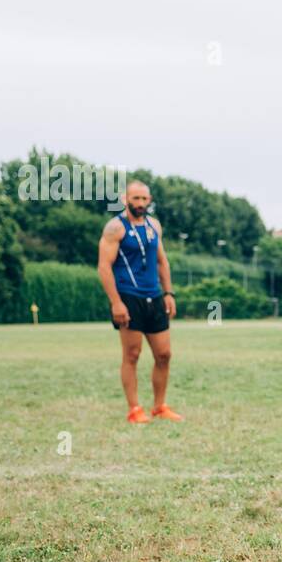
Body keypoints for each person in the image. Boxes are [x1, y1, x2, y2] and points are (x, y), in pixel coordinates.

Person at [97, 181, 182, 424]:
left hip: (154, 297)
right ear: (125, 199)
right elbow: (104, 267)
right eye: (136, 199)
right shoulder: (115, 228)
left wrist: (169, 293)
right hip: (128, 297)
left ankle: (159, 406)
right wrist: (116, 303)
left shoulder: (154, 225)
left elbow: (162, 261)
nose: (141, 204)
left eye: (145, 199)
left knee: (164, 354)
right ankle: (134, 409)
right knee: (132, 355)